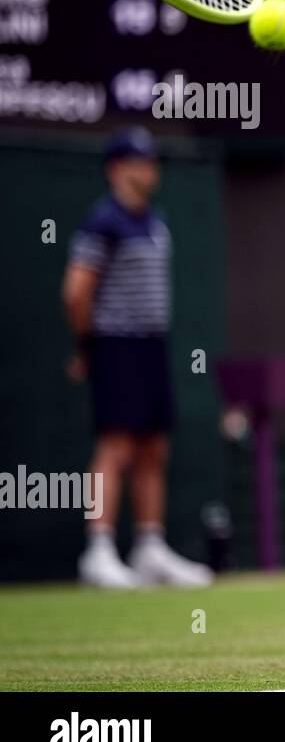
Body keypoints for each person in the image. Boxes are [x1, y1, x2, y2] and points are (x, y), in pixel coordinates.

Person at [62, 127, 213, 589]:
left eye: (151, 161)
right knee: (116, 447)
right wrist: (89, 345)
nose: (149, 170)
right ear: (115, 169)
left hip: (152, 346)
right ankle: (98, 550)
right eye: (138, 161)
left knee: (154, 447)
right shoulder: (102, 221)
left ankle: (149, 548)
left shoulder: (155, 221)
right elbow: (75, 292)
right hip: (115, 343)